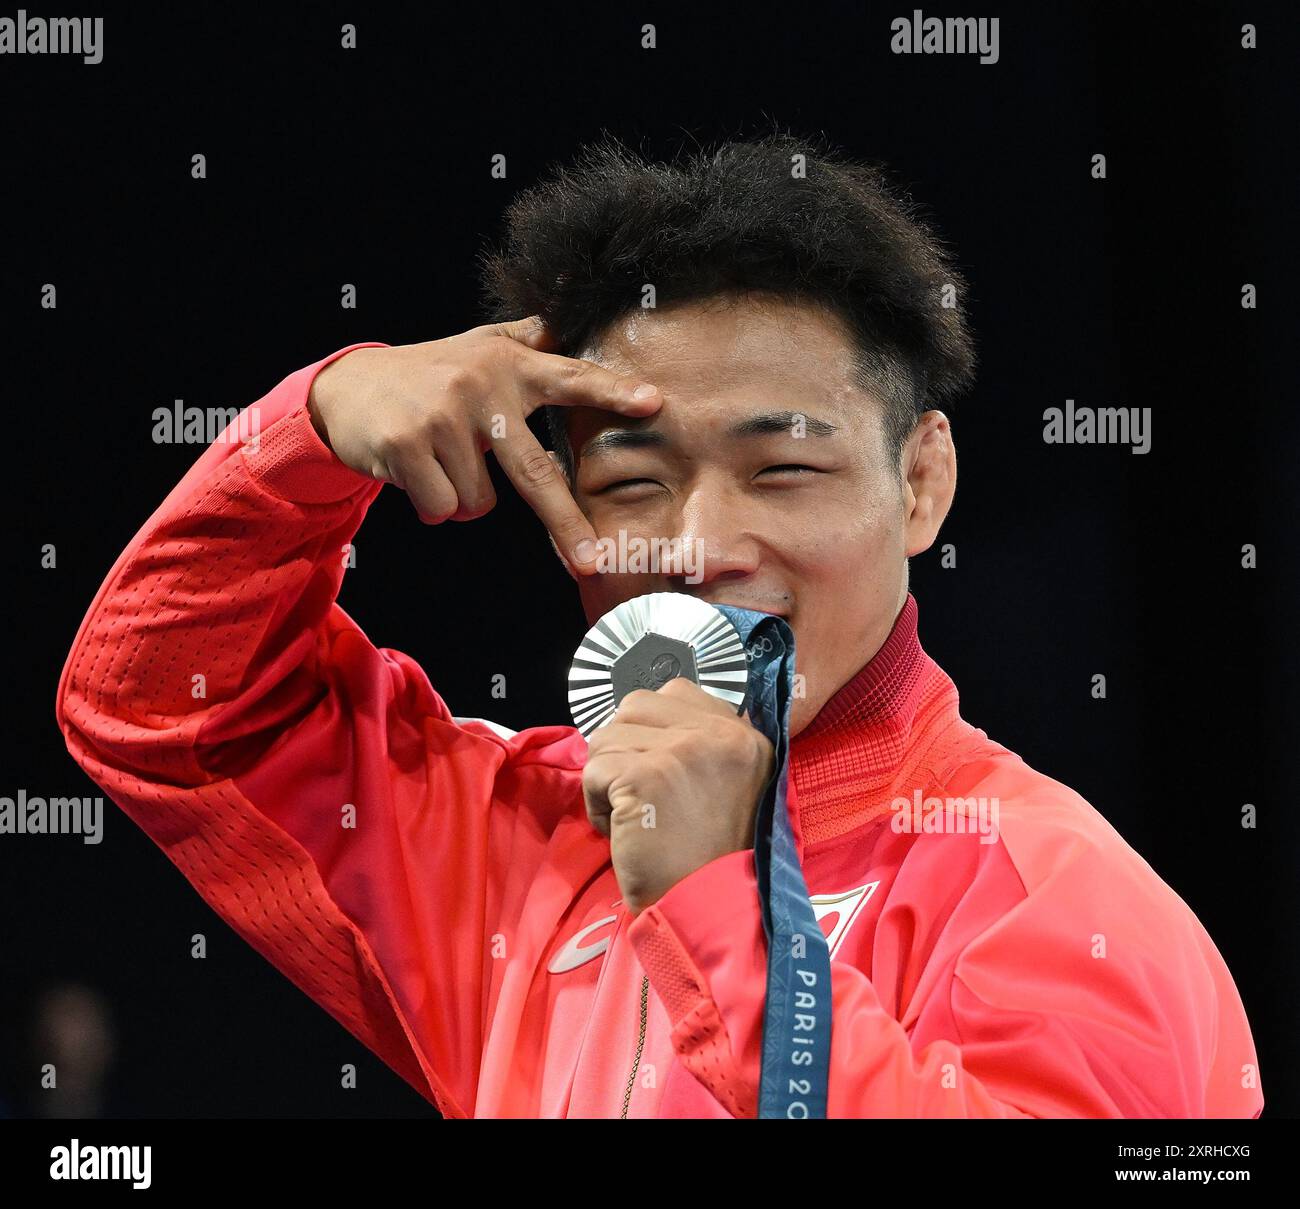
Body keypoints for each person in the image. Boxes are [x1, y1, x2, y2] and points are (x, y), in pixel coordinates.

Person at [55, 133, 1263, 1118]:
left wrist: (715, 914)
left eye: (782, 469)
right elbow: (166, 713)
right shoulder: (516, 840)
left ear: (920, 486)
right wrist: (312, 425)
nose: (694, 544)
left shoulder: (1056, 900)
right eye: (631, 482)